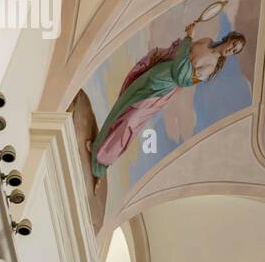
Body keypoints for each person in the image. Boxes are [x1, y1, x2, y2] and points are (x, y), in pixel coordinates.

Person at [87, 20, 244, 186]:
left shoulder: (211, 66)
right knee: (122, 108)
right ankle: (97, 147)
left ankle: (102, 162)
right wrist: (174, 48)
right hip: (156, 73)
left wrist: (188, 40)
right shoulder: (206, 41)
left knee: (130, 121)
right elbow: (177, 55)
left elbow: (181, 76)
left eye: (235, 51)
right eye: (234, 44)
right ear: (230, 38)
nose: (231, 50)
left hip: (163, 89)